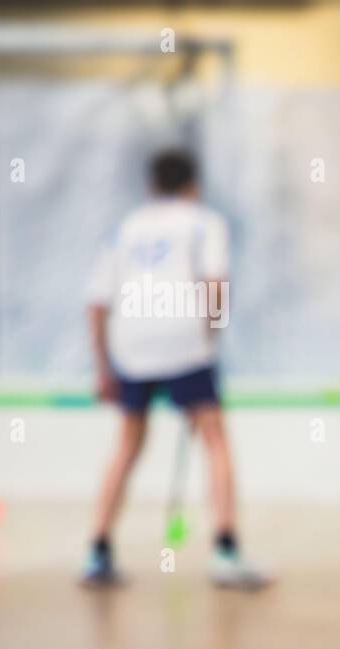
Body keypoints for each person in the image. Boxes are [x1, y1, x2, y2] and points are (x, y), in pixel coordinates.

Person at [82, 149, 269, 590]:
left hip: (130, 343)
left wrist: (103, 368)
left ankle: (97, 549)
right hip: (186, 341)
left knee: (128, 444)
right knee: (215, 438)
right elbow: (216, 285)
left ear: (151, 186)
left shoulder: (125, 228)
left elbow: (96, 301)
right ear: (194, 185)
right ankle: (225, 549)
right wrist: (211, 340)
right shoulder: (205, 221)